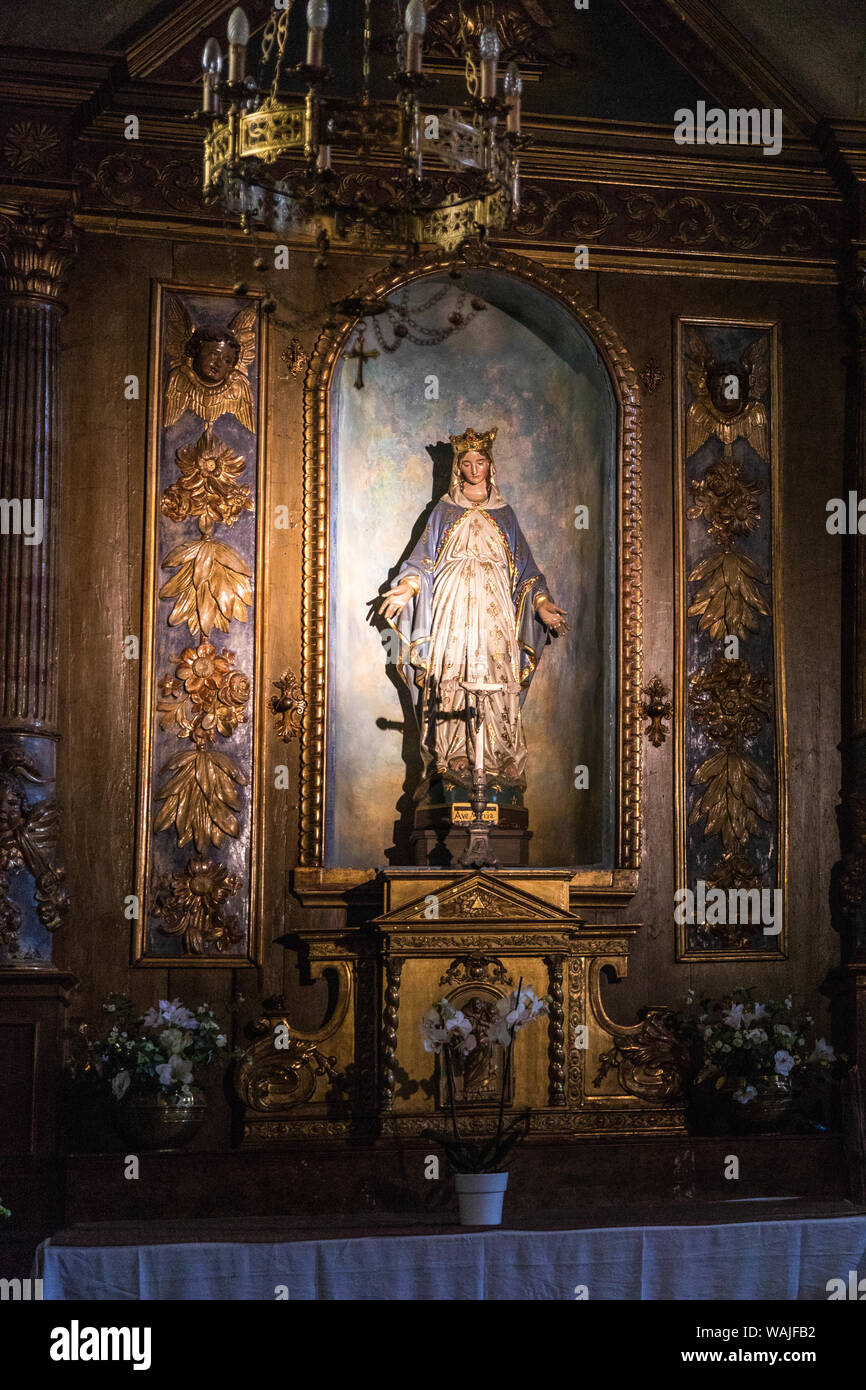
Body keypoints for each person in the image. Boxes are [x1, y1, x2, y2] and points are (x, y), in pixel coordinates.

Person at [379, 426, 567, 793]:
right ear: (458, 468)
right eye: (466, 463)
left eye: (481, 461)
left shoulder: (505, 514)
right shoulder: (444, 511)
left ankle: (498, 756)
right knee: (452, 668)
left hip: (494, 605)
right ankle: (451, 755)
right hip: (451, 605)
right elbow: (422, 562)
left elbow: (526, 571)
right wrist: (405, 588)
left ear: (490, 464)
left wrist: (541, 604)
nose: (474, 468)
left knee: (494, 667)